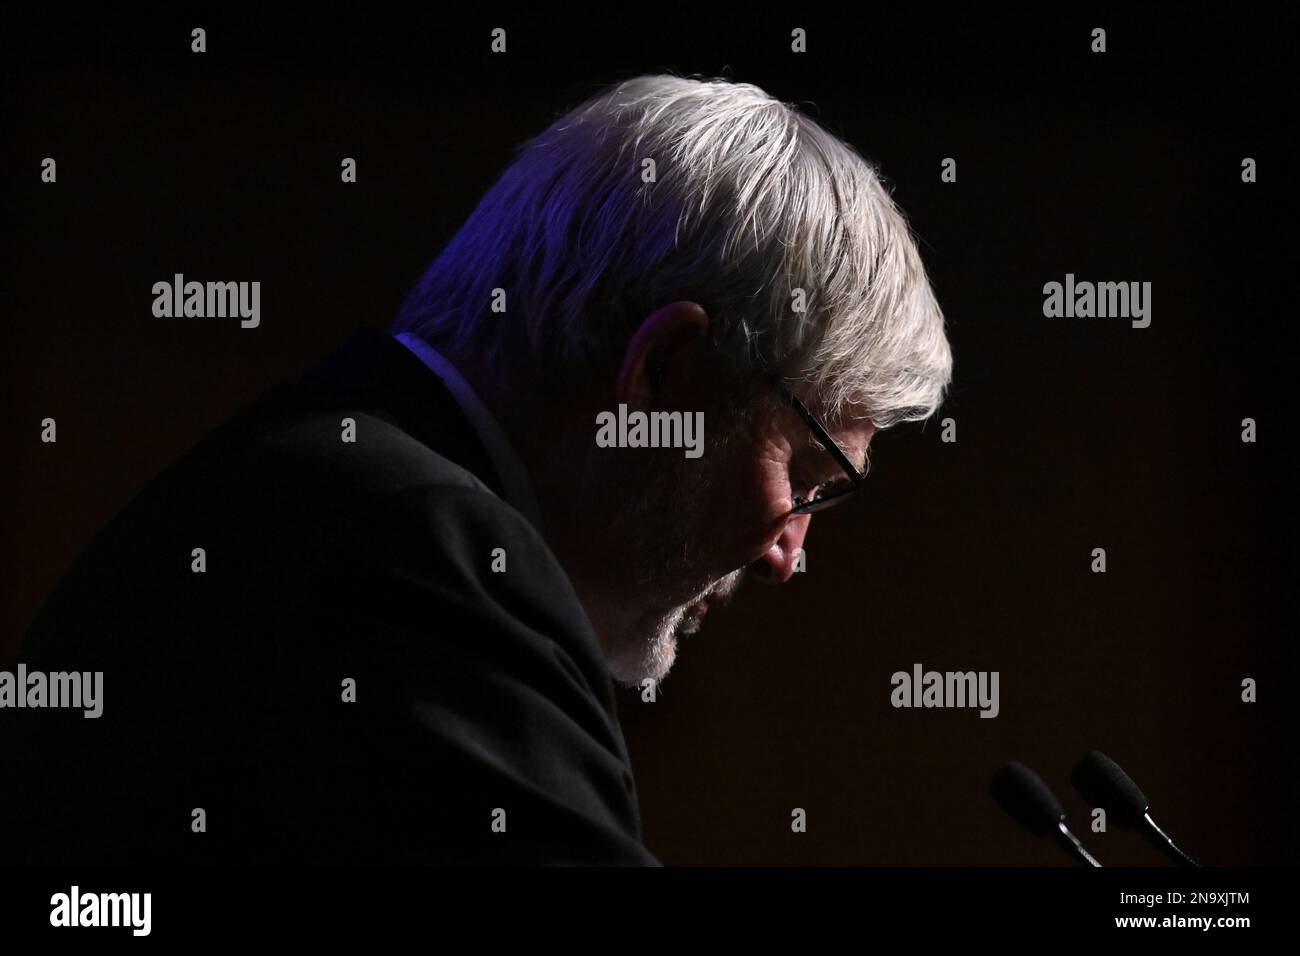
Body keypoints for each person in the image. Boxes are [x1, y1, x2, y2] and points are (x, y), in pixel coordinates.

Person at [1, 74, 951, 865]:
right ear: (664, 372)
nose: (790, 552)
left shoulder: (331, 472)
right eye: (811, 476)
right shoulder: (419, 546)